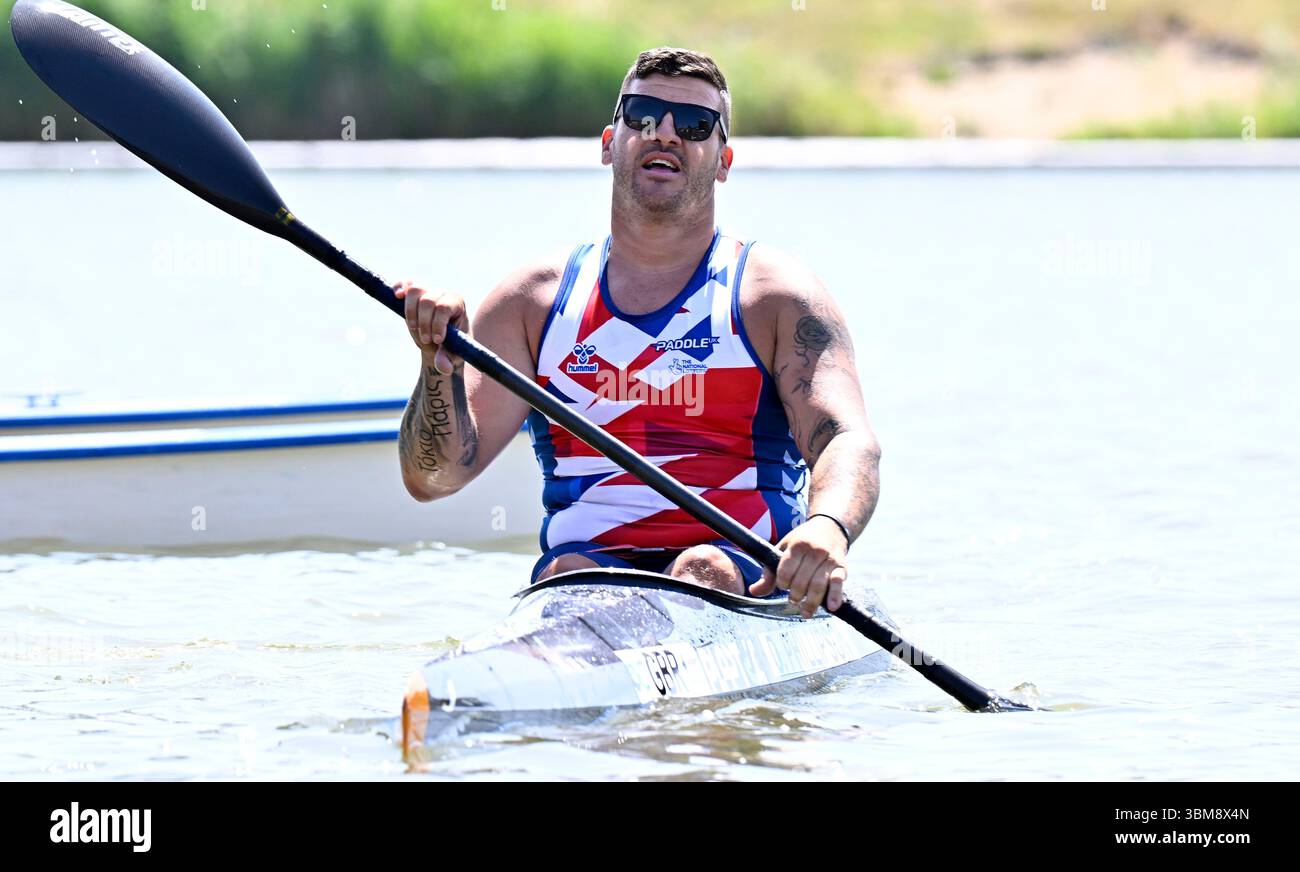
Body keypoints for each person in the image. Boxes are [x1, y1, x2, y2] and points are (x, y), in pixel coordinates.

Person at [394, 47, 879, 619]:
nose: (666, 134)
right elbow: (433, 478)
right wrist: (436, 366)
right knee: (570, 574)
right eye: (643, 115)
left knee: (705, 569)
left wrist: (826, 528)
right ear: (609, 142)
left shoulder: (774, 298)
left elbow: (848, 440)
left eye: (695, 125)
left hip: (741, 574)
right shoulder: (532, 303)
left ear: (722, 159)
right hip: (581, 575)